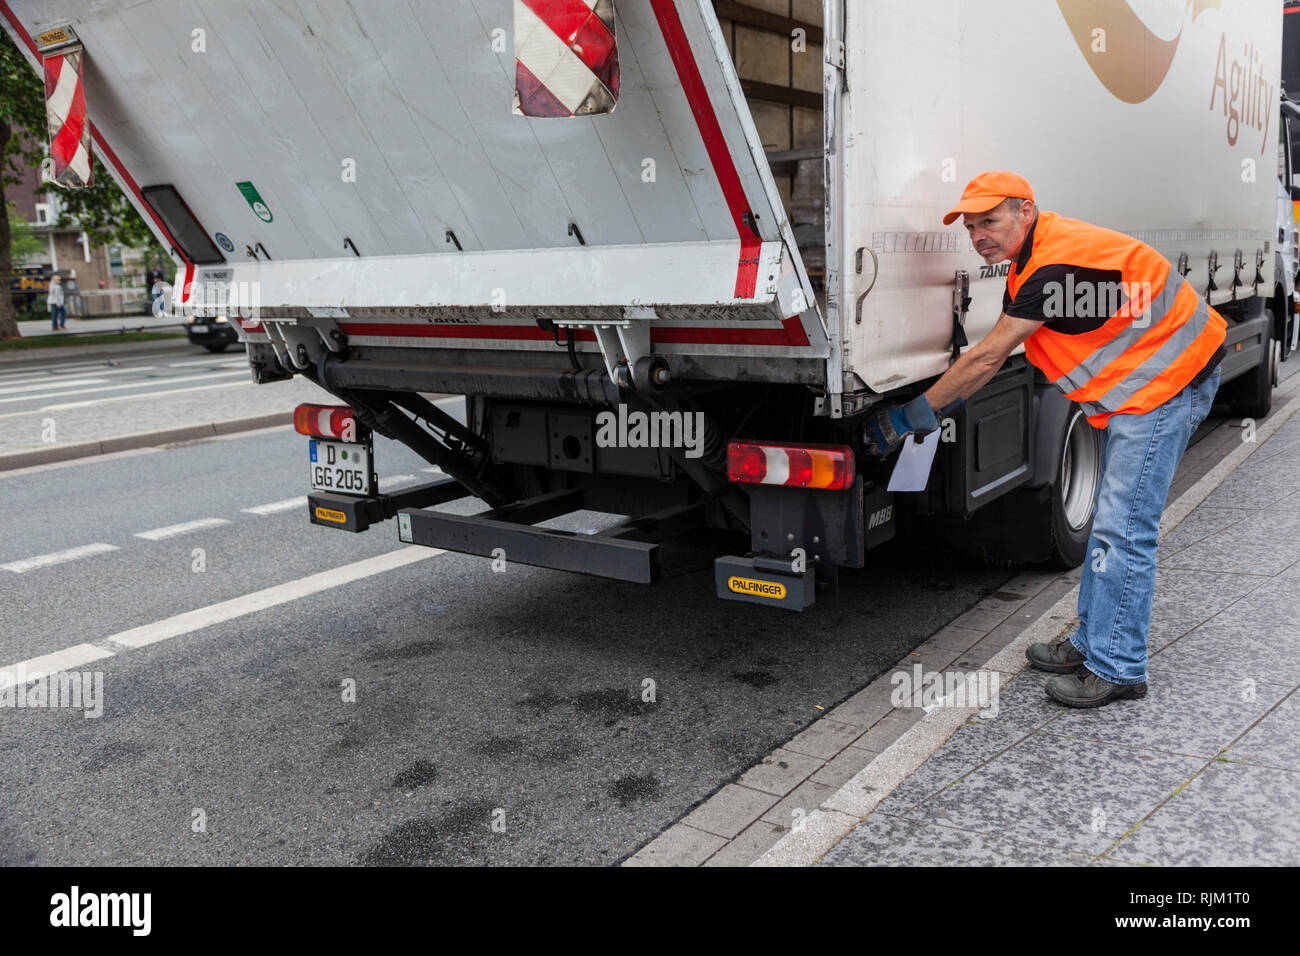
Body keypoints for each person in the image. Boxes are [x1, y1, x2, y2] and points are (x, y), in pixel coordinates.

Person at [862, 171, 1226, 709]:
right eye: (970, 226)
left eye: (990, 220)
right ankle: (1091, 641)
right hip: (1149, 385)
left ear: (1025, 212)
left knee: (1123, 530)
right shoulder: (1038, 252)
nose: (978, 235)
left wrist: (910, 416)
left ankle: (1119, 666)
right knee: (1110, 524)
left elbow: (986, 358)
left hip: (1168, 386)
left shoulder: (1053, 266)